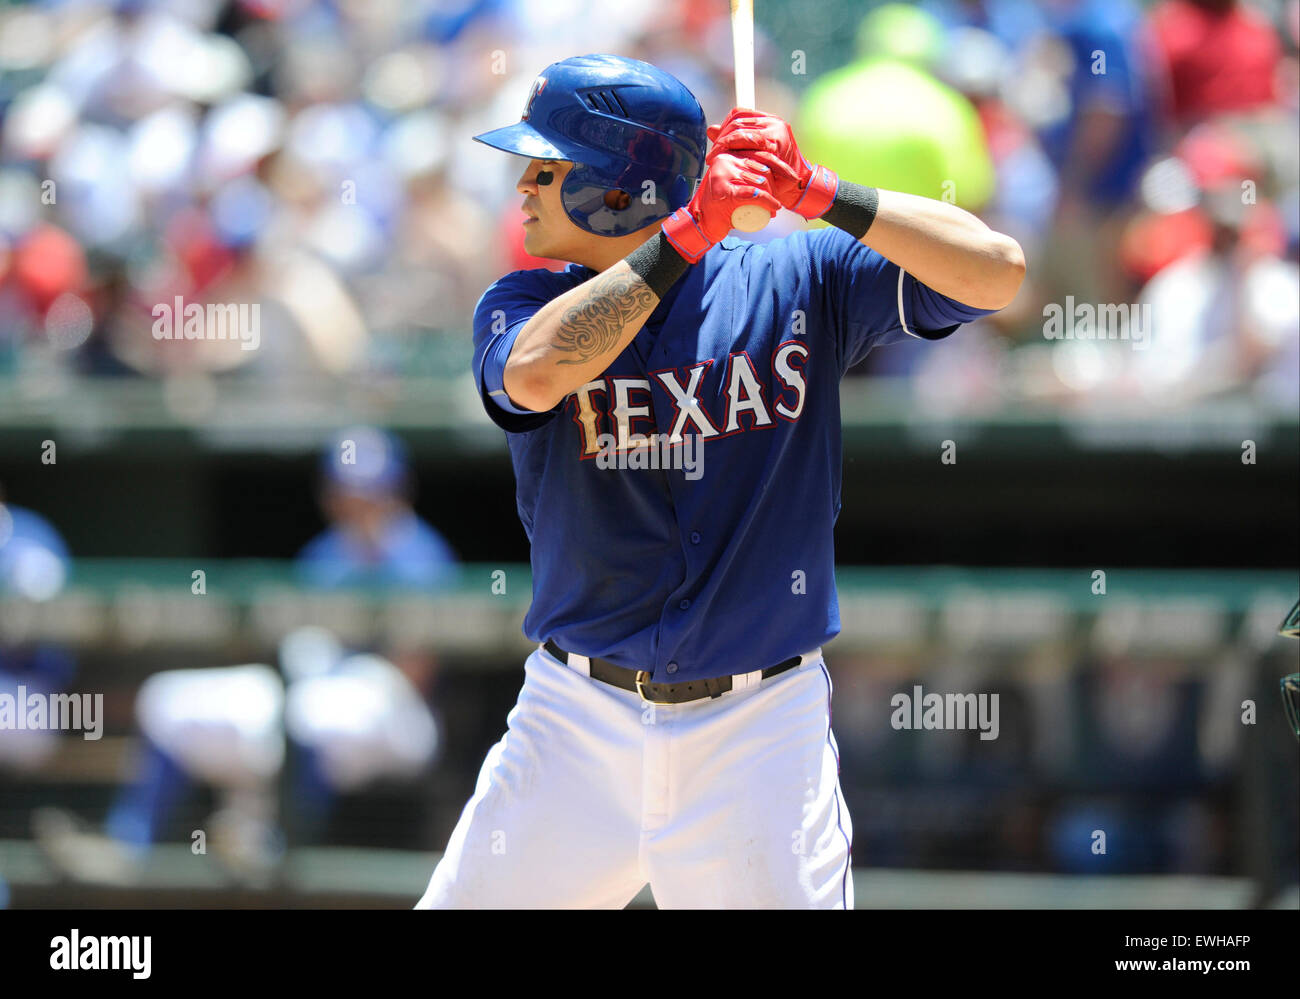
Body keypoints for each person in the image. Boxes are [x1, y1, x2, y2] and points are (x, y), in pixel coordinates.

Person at [416, 53, 1024, 909]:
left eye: (548, 167)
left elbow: (995, 270)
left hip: (759, 732)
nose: (522, 184)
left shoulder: (797, 276)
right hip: (575, 723)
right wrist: (686, 235)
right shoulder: (522, 299)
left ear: (617, 187)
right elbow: (540, 373)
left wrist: (818, 190)